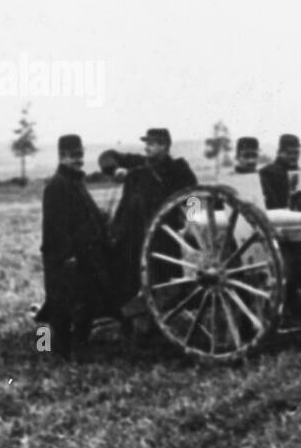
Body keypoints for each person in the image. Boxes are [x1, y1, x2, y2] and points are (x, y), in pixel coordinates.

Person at [36, 135, 116, 360]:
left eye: (80, 156)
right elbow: (54, 226)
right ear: (61, 157)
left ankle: (80, 348)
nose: (78, 161)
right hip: (64, 258)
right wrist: (67, 256)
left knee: (84, 303)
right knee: (61, 306)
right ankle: (57, 351)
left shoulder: (76, 182)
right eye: (72, 157)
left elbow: (86, 214)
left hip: (83, 255)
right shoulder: (56, 185)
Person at [107, 128, 198, 314]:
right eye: (146, 143)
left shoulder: (179, 169)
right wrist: (114, 169)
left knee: (164, 284)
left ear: (164, 146)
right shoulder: (137, 163)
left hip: (164, 236)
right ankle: (129, 325)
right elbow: (108, 155)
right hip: (132, 235)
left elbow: (194, 197)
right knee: (129, 281)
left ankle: (159, 322)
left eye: (151, 143)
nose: (146, 147)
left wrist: (190, 222)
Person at [259, 134, 301, 210]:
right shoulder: (267, 173)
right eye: (289, 153)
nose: (293, 156)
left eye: (296, 153)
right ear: (279, 152)